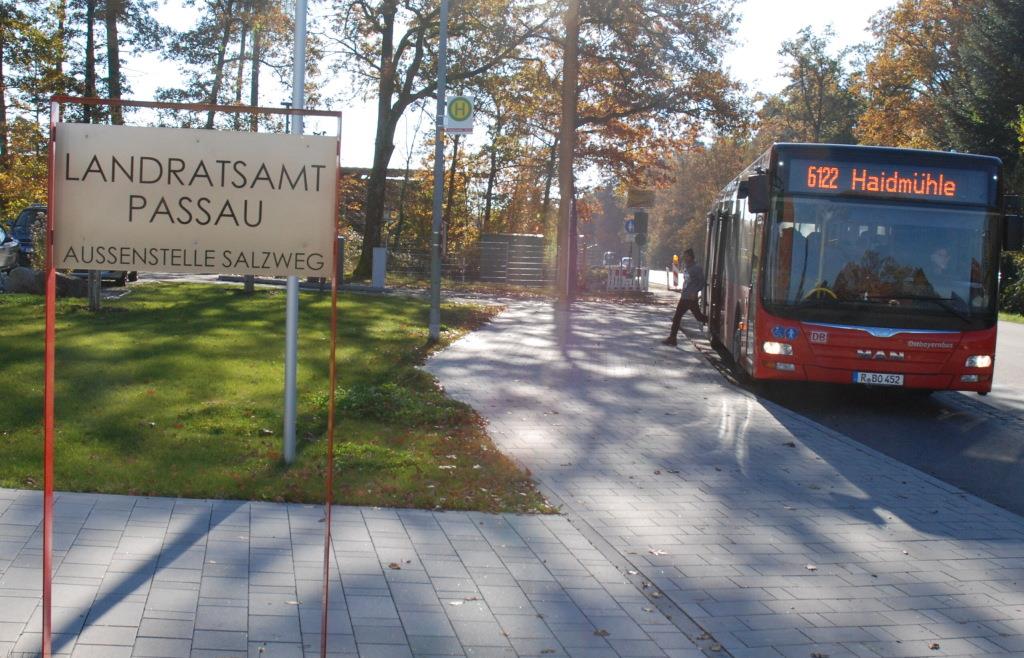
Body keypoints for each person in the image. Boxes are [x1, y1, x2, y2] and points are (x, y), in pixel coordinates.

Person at [663, 248, 707, 346]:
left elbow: (702, 282)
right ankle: (672, 338)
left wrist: (695, 291)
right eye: (684, 256)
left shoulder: (697, 268)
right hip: (684, 297)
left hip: (691, 298)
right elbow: (687, 281)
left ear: (691, 257)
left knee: (699, 317)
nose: (684, 258)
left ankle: (714, 322)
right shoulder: (686, 267)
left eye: (686, 256)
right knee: (677, 318)